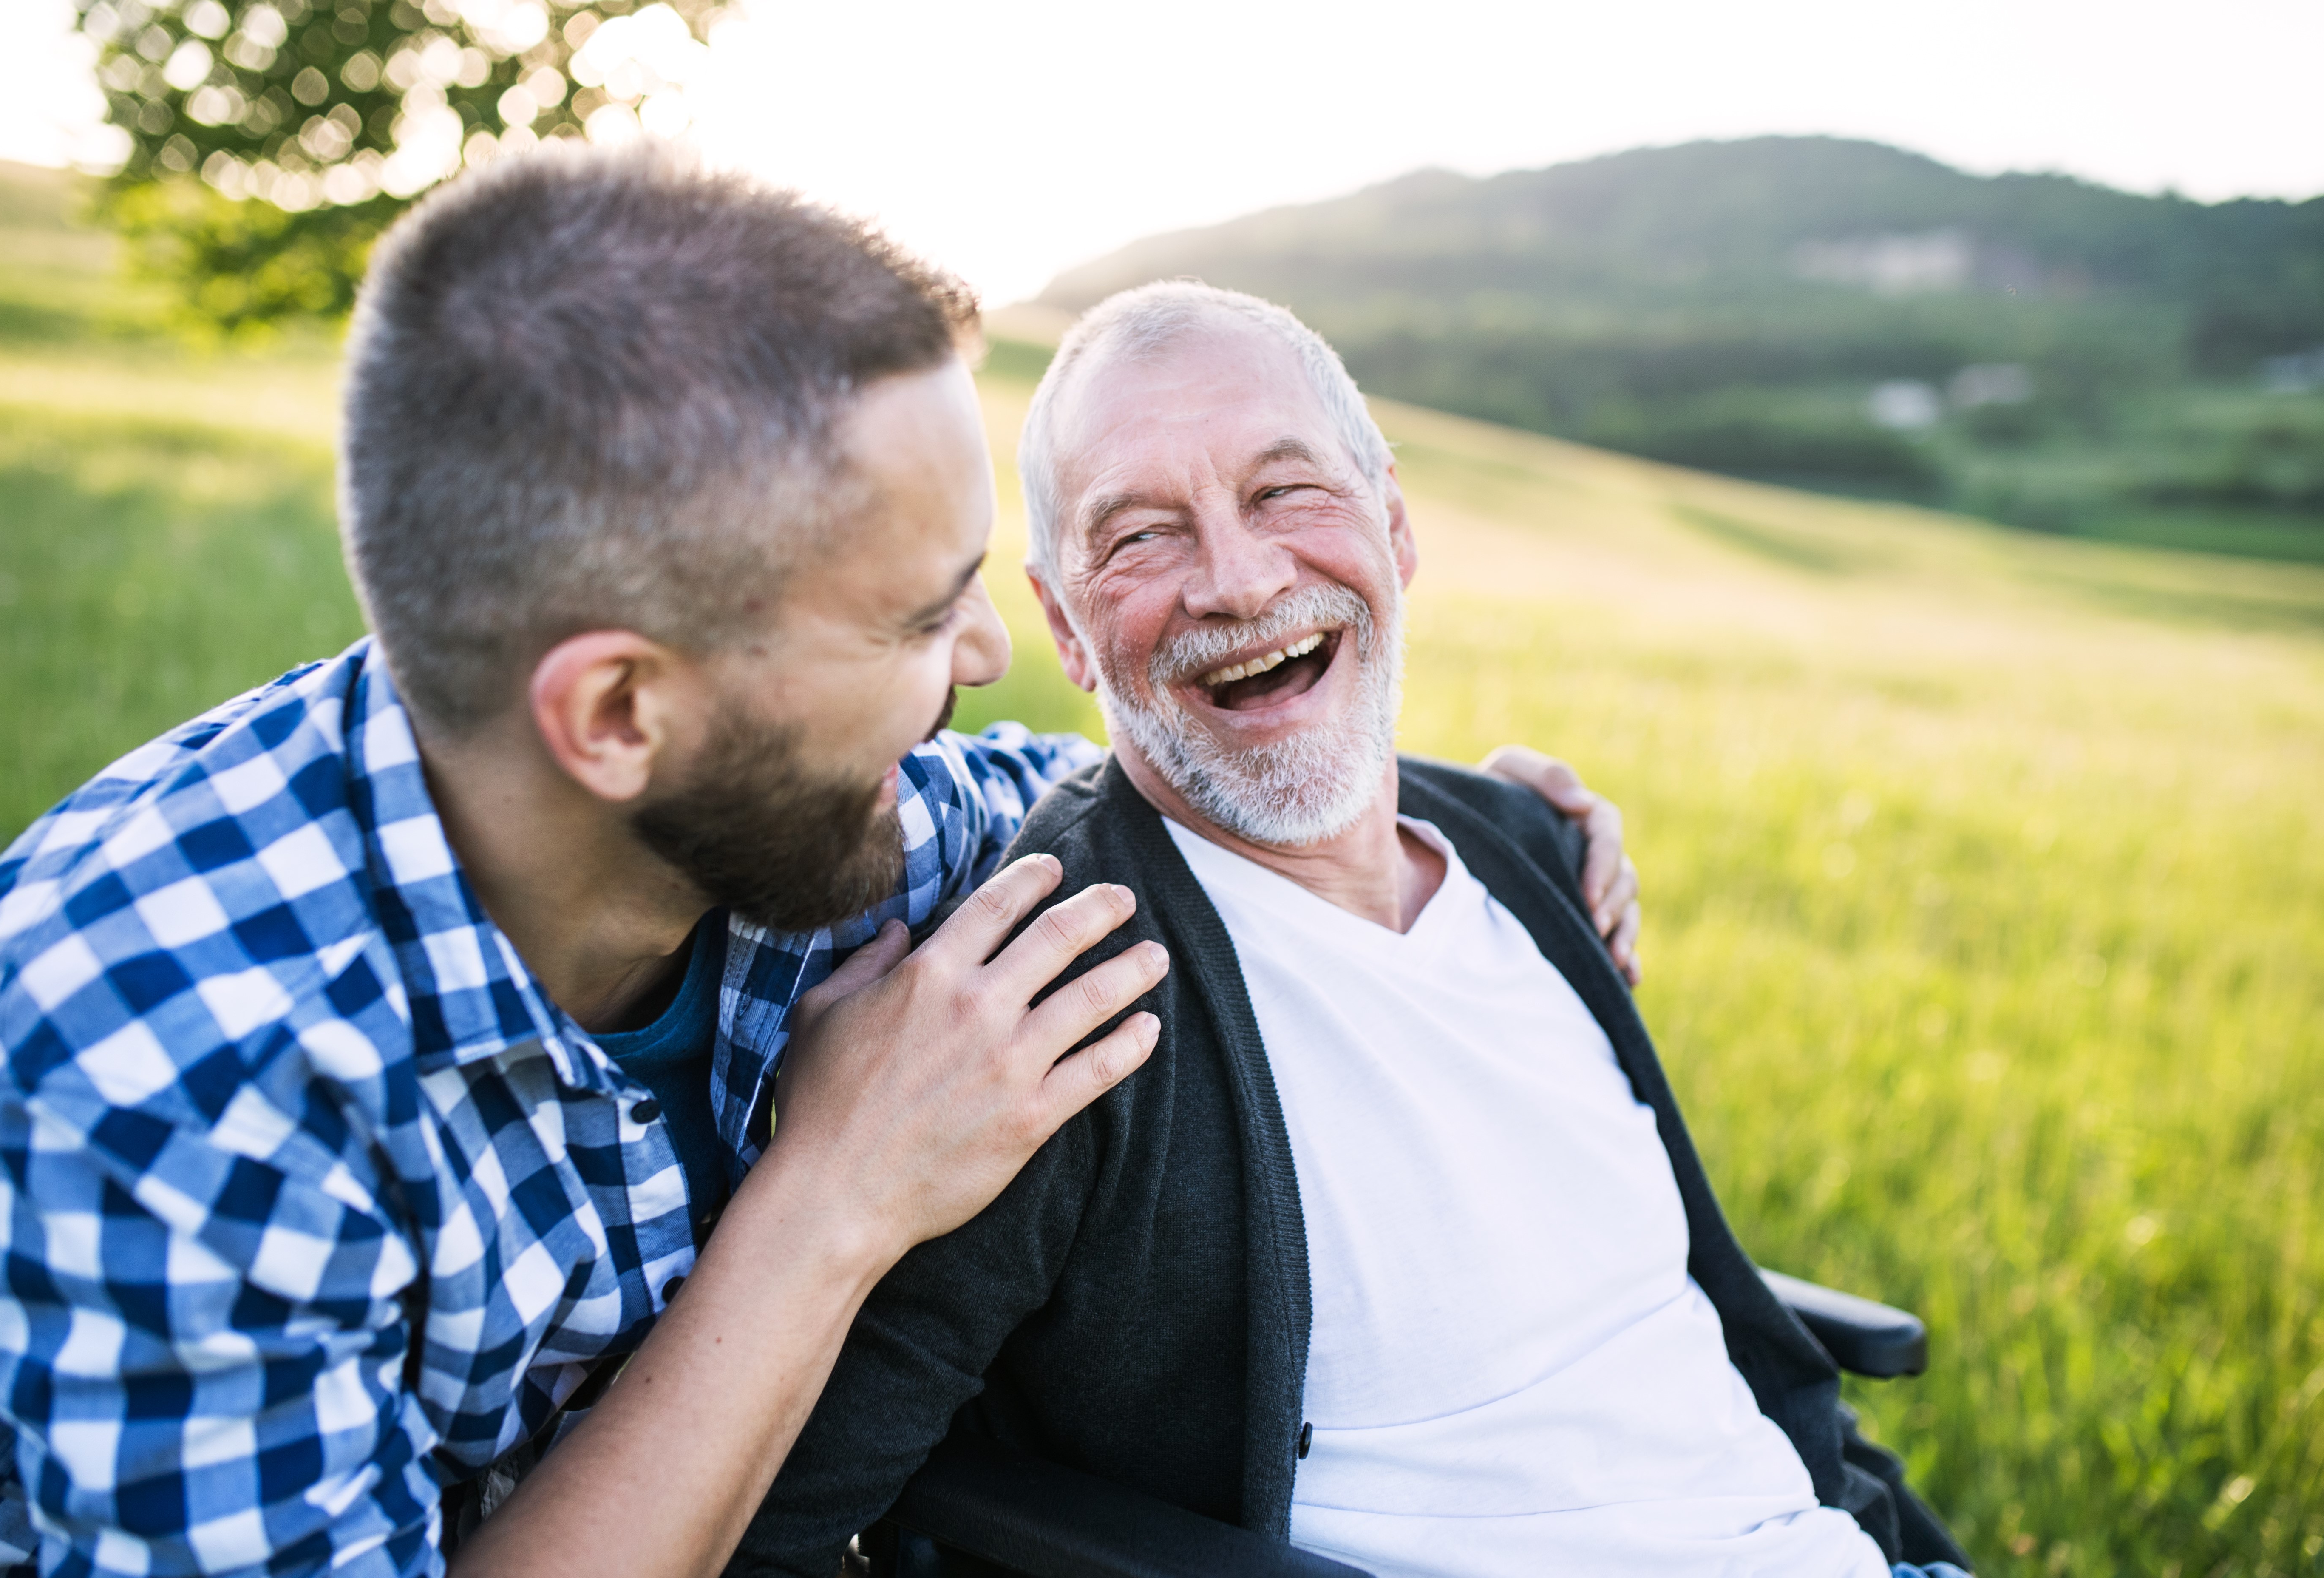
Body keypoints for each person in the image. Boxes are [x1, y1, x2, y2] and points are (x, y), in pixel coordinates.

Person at [0, 152, 1634, 1578]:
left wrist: (1460, 819)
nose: (985, 654)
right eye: (919, 615)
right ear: (620, 711)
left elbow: (1110, 781)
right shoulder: (164, 1058)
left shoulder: (830, 815)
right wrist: (836, 1198)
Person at [725, 283, 1973, 1578]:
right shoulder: (1048, 1000)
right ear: (1067, 629)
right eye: (1143, 536)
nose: (1240, 578)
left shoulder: (1526, 848)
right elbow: (786, 1528)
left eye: (1286, 495)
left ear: (1393, 525)